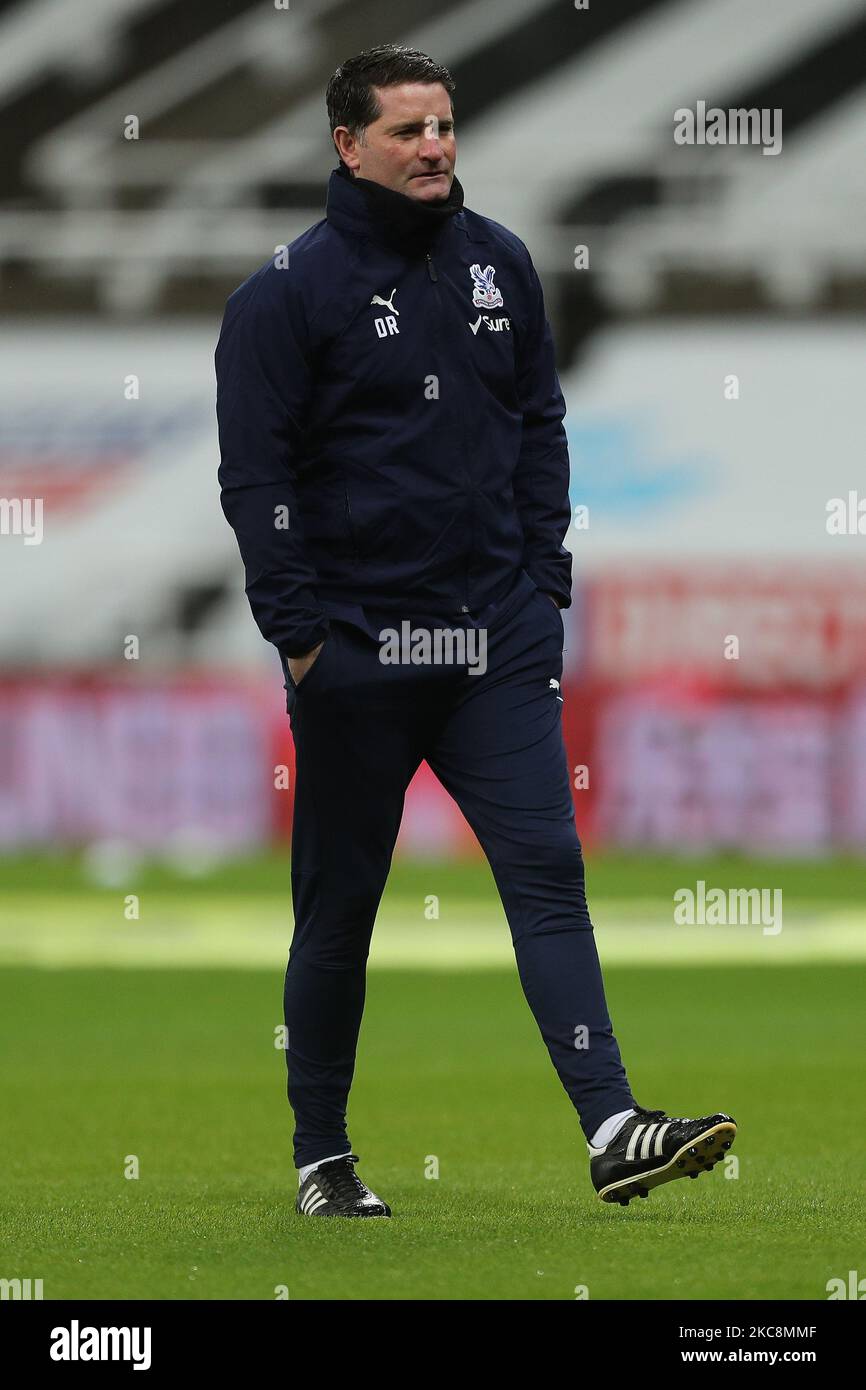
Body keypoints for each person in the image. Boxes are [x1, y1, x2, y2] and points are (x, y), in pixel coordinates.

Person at [215, 44, 736, 1217]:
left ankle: (611, 1125)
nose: (434, 146)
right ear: (347, 145)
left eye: (443, 125)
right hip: (355, 650)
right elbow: (256, 482)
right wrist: (300, 638)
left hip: (492, 641)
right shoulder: (282, 296)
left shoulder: (499, 262)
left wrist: (542, 583)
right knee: (341, 902)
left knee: (547, 871)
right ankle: (321, 1157)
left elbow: (540, 423)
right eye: (406, 130)